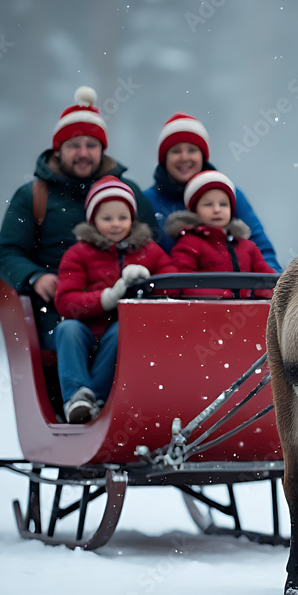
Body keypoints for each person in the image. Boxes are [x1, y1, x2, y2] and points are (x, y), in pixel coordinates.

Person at [0, 86, 158, 351]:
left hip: (124, 310)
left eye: (91, 145)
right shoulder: (34, 196)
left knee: (130, 339)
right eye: (73, 145)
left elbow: (152, 243)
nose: (83, 153)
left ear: (102, 149)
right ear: (58, 150)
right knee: (73, 335)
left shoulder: (128, 192)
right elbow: (6, 252)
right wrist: (35, 277)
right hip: (58, 312)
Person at [53, 176, 177, 423]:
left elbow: (173, 283)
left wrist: (148, 284)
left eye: (122, 217)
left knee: (124, 330)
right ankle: (78, 397)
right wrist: (107, 297)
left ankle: (98, 400)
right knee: (67, 330)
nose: (116, 224)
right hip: (88, 329)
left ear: (132, 218)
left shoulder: (149, 251)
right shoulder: (78, 254)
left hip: (124, 330)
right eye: (107, 218)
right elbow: (66, 301)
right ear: (93, 220)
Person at [143, 112, 282, 270]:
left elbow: (260, 247)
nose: (184, 157)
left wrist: (273, 280)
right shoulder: (147, 201)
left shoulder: (229, 194)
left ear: (202, 155)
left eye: (191, 150)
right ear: (164, 158)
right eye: (176, 151)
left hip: (233, 285)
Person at [166, 171, 276, 299]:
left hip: (246, 310)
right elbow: (183, 283)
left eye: (223, 204)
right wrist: (221, 296)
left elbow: (267, 278)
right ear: (195, 211)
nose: (217, 210)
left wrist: (264, 294)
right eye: (208, 204)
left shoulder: (247, 246)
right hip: (206, 310)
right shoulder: (188, 244)